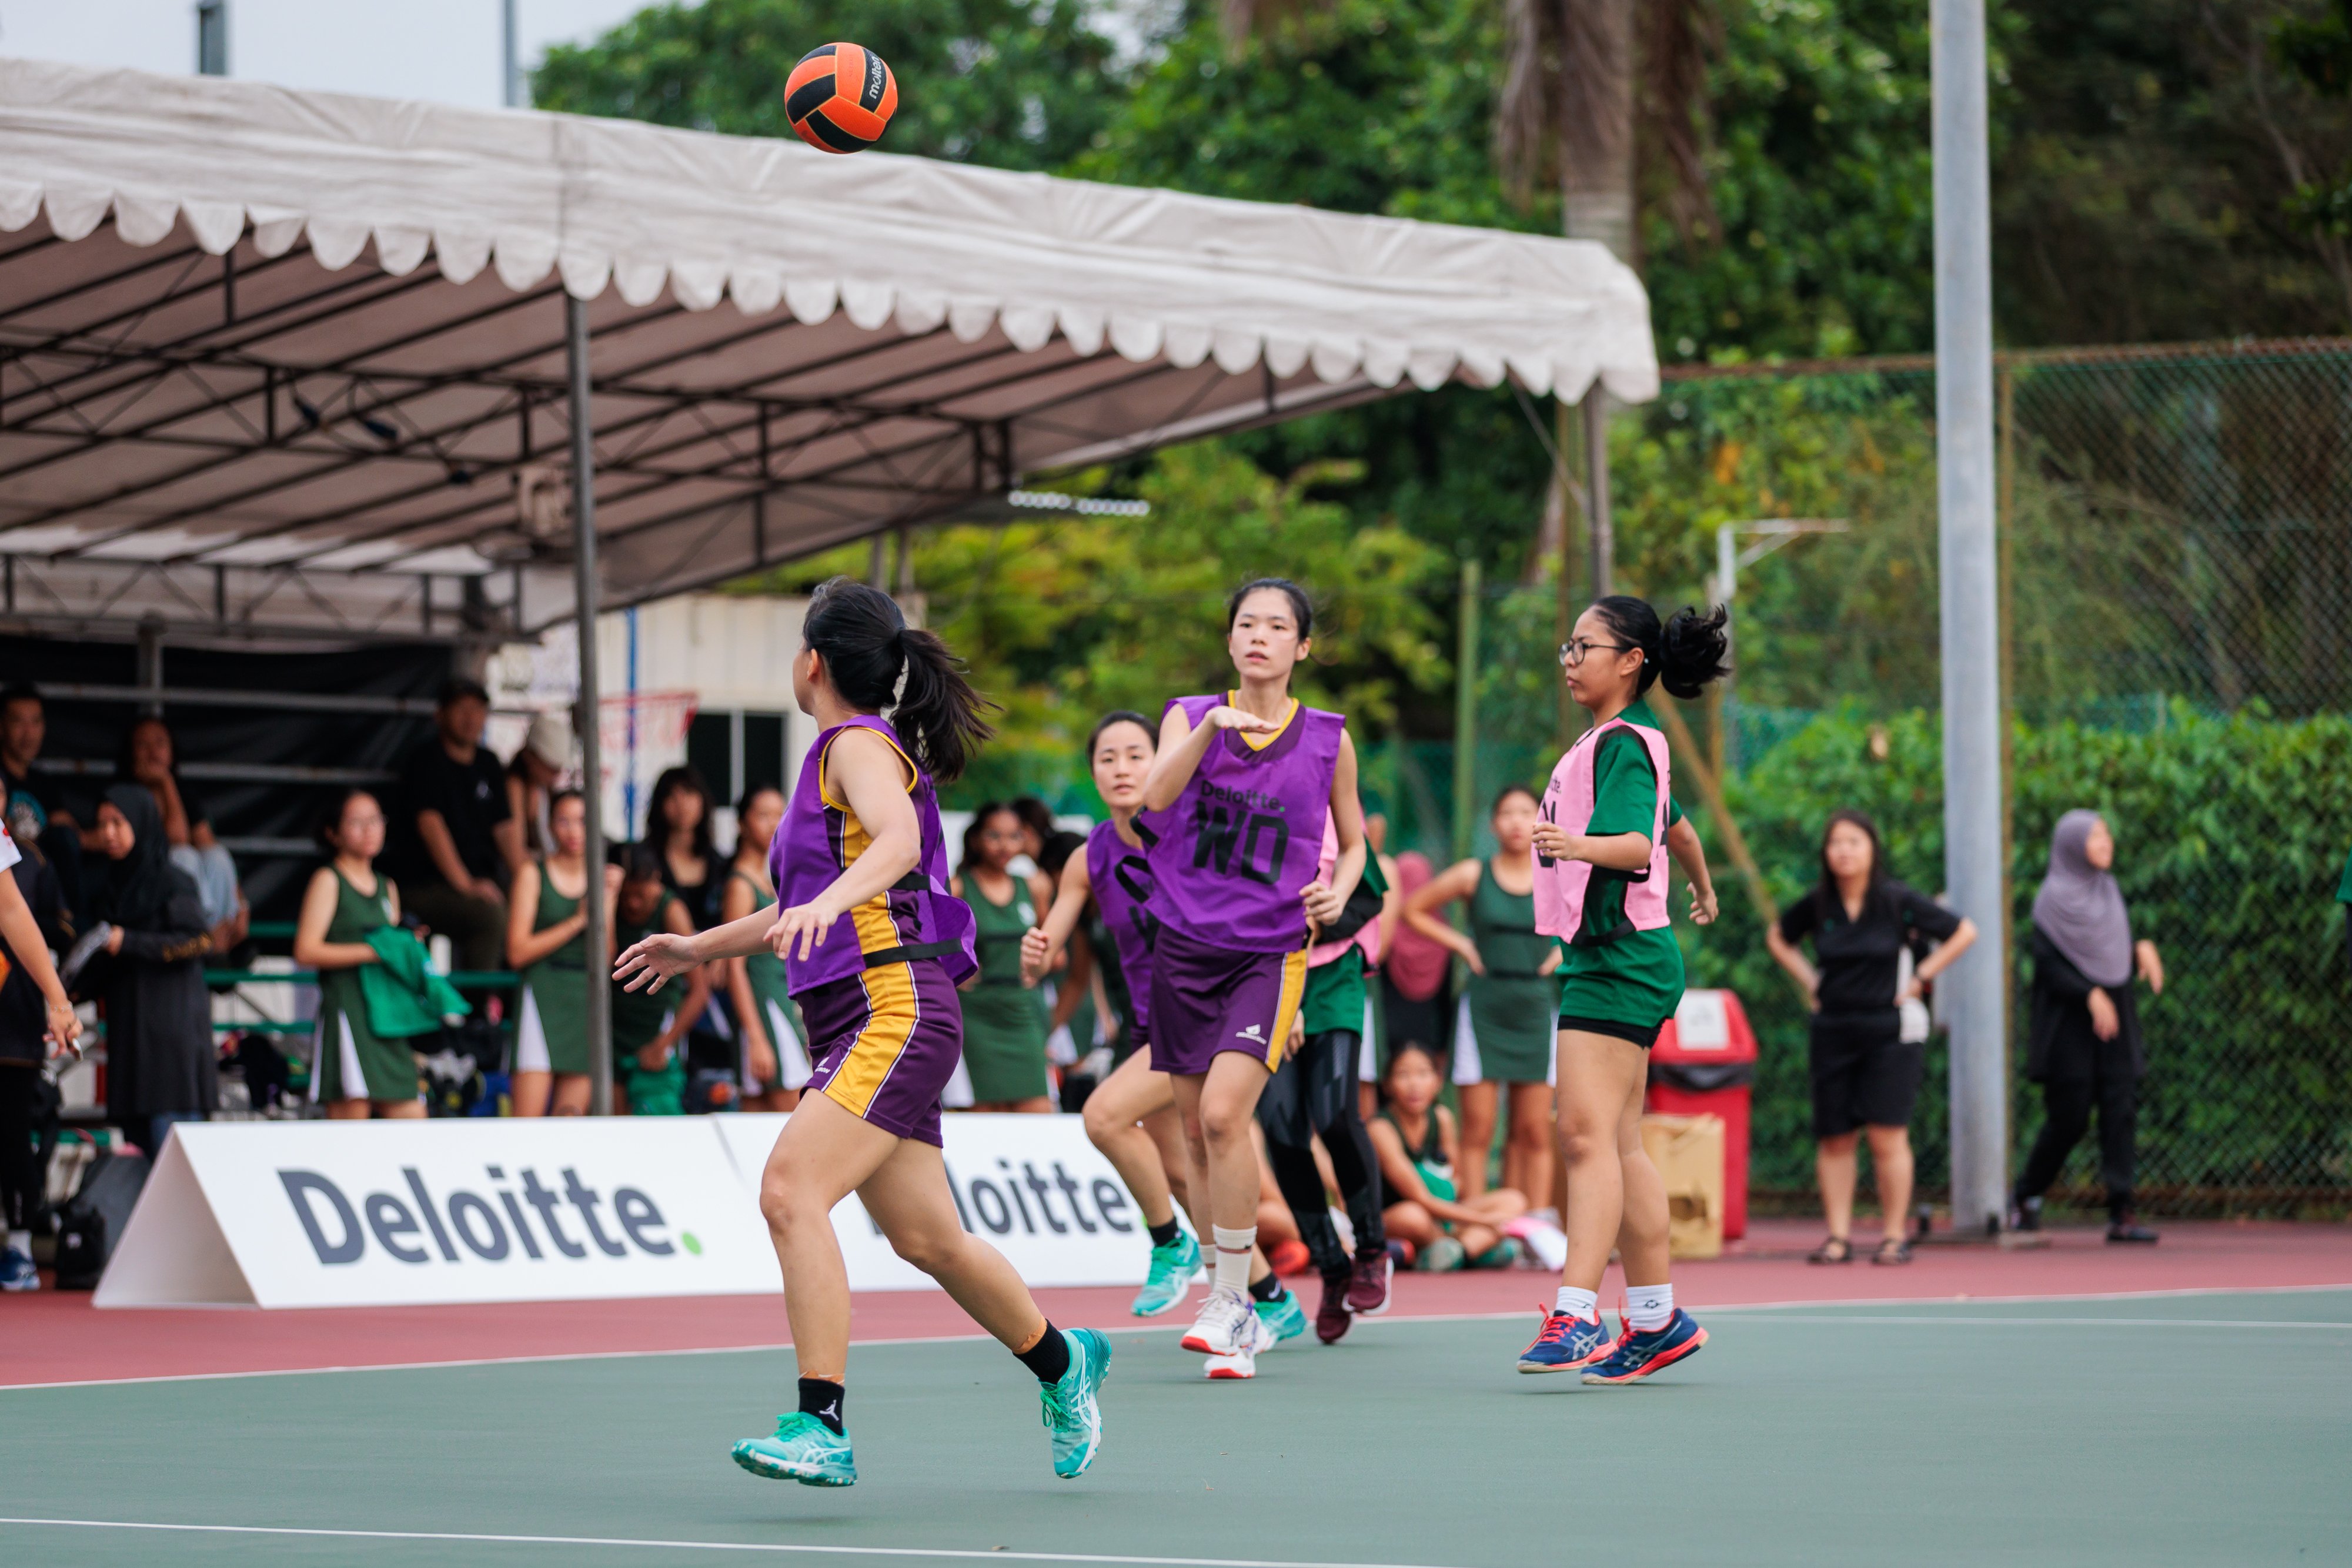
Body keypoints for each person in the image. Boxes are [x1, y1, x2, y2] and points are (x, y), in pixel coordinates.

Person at [614, 577, 1109, 1486]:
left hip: (896, 1003)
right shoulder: (830, 762)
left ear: (813, 661)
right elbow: (799, 905)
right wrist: (697, 948)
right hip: (861, 1010)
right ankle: (1064, 1360)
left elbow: (898, 845)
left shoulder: (857, 744)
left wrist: (831, 900)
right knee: (930, 1239)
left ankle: (822, 1423)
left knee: (790, 1187)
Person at [1140, 577, 1365, 1380]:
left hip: (1268, 950)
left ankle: (1233, 1300)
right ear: (1230, 638)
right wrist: (1210, 729)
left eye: (1276, 626)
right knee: (1195, 1132)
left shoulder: (1329, 738)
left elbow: (1355, 841)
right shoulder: (1189, 715)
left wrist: (1338, 890)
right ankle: (1233, 1307)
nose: (1259, 636)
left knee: (1225, 1114)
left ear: (1301, 646)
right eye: (1246, 623)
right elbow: (1153, 798)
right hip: (1183, 943)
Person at [1025, 711, 1305, 1350]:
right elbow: (1051, 939)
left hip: (1215, 1009)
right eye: (1107, 758)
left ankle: (1170, 1243)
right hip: (1152, 1023)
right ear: (1093, 772)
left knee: (1103, 1116)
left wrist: (1288, 1002)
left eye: (1135, 755)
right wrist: (1036, 951)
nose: (1122, 769)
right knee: (1182, 1175)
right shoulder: (1088, 856)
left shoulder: (1196, 830)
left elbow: (1263, 913)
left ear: (1163, 759)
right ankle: (1271, 1297)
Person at [1516, 596, 1729, 1385]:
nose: (1570, 660)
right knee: (1618, 1140)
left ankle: (1577, 1313)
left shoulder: (1624, 743)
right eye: (1567, 647)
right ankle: (1656, 1318)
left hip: (1620, 959)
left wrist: (1577, 845)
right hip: (1617, 954)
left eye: (1586, 646)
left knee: (1582, 1134)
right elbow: (1677, 829)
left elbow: (1640, 842)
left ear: (1632, 659)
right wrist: (1702, 885)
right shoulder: (1616, 743)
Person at [1764, 810, 1977, 1265]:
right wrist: (1811, 981)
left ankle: (1894, 1236)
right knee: (1835, 1138)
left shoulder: (1897, 900)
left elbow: (1964, 931)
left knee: (1887, 1136)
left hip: (1891, 1032)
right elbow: (1778, 937)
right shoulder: (1819, 904)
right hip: (1833, 1030)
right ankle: (1838, 1238)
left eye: (1854, 841)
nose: (1844, 850)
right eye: (1836, 842)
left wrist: (1922, 975)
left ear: (1872, 848)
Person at [1257, 813, 1394, 1342]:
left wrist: (1321, 916)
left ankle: (1372, 1248)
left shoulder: (1333, 806)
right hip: (1265, 979)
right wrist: (1282, 992)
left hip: (1333, 978)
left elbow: (1368, 898)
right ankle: (1332, 1265)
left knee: (1334, 1113)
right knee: (1282, 1130)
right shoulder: (1241, 807)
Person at [1401, 784, 1562, 1212]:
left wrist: (1565, 952)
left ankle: (1534, 1226)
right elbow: (1412, 909)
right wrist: (1461, 944)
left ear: (1541, 820)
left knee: (1533, 1131)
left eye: (1526, 812)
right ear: (1493, 825)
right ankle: (1475, 1224)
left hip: (1535, 1007)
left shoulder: (1558, 873)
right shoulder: (1473, 874)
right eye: (1506, 813)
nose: (1516, 822)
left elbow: (1596, 913)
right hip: (1485, 1007)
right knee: (1478, 1128)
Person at [2012, 810, 2166, 1243]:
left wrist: (2140, 948)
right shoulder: (2052, 900)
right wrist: (2088, 993)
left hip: (2116, 1021)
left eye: (2106, 834)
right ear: (2072, 845)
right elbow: (2047, 963)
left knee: (2121, 1110)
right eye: (2095, 836)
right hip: (2069, 1025)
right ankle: (2024, 1198)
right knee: (2070, 1117)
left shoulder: (2108, 890)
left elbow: (2110, 950)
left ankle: (2122, 1213)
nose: (2105, 842)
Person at [81, 784, 214, 1156]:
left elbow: (198, 941)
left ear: (141, 823)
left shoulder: (172, 882)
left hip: (171, 1049)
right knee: (141, 1166)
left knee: (174, 1165)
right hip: (131, 1048)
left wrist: (130, 941)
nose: (108, 833)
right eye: (102, 824)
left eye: (118, 822)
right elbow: (107, 964)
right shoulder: (111, 888)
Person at [292, 790, 424, 1119]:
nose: (369, 830)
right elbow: (306, 949)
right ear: (333, 833)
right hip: (347, 1008)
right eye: (356, 822)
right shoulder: (328, 879)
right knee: (352, 1118)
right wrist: (372, 951)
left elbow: (390, 950)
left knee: (412, 1113)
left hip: (384, 1013)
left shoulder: (386, 886)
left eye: (375, 820)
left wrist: (406, 946)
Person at [0, 811, 82, 1290]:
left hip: (16, 1022)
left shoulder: (33, 861)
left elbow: (11, 909)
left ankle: (20, 1245)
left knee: (11, 1137)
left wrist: (58, 1000)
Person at [395, 678, 520, 975]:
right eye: (462, 709)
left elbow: (504, 828)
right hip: (425, 886)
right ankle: (477, 1003)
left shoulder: (488, 763)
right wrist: (466, 884)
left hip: (482, 879)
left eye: (478, 709)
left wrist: (529, 881)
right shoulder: (424, 761)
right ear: (440, 715)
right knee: (489, 915)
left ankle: (511, 999)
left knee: (530, 906)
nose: (471, 718)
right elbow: (431, 826)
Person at [507, 790, 617, 1118]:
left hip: (586, 994)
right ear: (550, 826)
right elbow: (516, 952)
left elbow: (608, 958)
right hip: (543, 990)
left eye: (582, 821)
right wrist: (577, 921)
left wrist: (608, 904)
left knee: (571, 1121)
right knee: (526, 1122)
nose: (573, 831)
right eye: (563, 821)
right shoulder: (532, 873)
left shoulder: (604, 877)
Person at [1369, 1042, 1528, 1270]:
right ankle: (1474, 1248)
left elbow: (1457, 1181)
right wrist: (1486, 1222)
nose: (1415, 1084)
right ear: (1387, 1085)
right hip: (1404, 1214)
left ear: (1437, 1081)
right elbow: (1420, 1198)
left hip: (1443, 1215)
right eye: (1403, 1075)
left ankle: (1458, 1251)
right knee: (1414, 1216)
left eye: (1423, 1074)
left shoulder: (1442, 1118)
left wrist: (1451, 1190)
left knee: (1513, 1200)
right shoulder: (1381, 1129)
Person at [951, 803, 1056, 1113]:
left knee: (1039, 1110)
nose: (1004, 846)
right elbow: (933, 948)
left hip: (1022, 1007)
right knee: (984, 1112)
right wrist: (956, 970)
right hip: (976, 1012)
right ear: (975, 839)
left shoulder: (1034, 886)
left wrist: (1036, 968)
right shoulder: (958, 887)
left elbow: (1056, 951)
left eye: (1014, 836)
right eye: (994, 836)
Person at [118, 715, 249, 961]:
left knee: (217, 856)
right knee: (183, 856)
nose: (153, 752)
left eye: (160, 743)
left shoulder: (184, 795)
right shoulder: (124, 797)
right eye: (143, 745)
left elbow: (210, 846)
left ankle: (215, 939)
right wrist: (166, 781)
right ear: (130, 753)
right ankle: (202, 940)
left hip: (191, 905)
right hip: (145, 899)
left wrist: (242, 904)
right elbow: (177, 838)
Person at [721, 784, 810, 1112]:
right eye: (763, 815)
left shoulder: (771, 877)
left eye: (780, 815)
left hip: (779, 1001)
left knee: (761, 1115)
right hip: (763, 1007)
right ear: (742, 823)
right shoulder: (740, 885)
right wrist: (756, 1037)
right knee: (792, 1108)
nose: (774, 824)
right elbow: (733, 966)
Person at [612, 845, 708, 1116]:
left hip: (657, 1032)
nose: (633, 904)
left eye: (640, 896)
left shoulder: (671, 910)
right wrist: (609, 900)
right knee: (613, 1120)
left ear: (656, 881)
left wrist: (665, 1043)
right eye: (626, 896)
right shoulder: (608, 905)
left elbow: (700, 991)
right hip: (613, 1032)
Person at [0, 684, 87, 919]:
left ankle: (75, 929)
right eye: (19, 722)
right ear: (2, 726)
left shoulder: (43, 783)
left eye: (36, 722)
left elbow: (68, 832)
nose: (29, 733)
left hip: (45, 877)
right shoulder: (1, 777)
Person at [505, 711, 575, 857]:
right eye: (550, 765)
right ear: (530, 757)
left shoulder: (543, 789)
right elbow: (517, 850)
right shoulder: (514, 786)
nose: (556, 772)